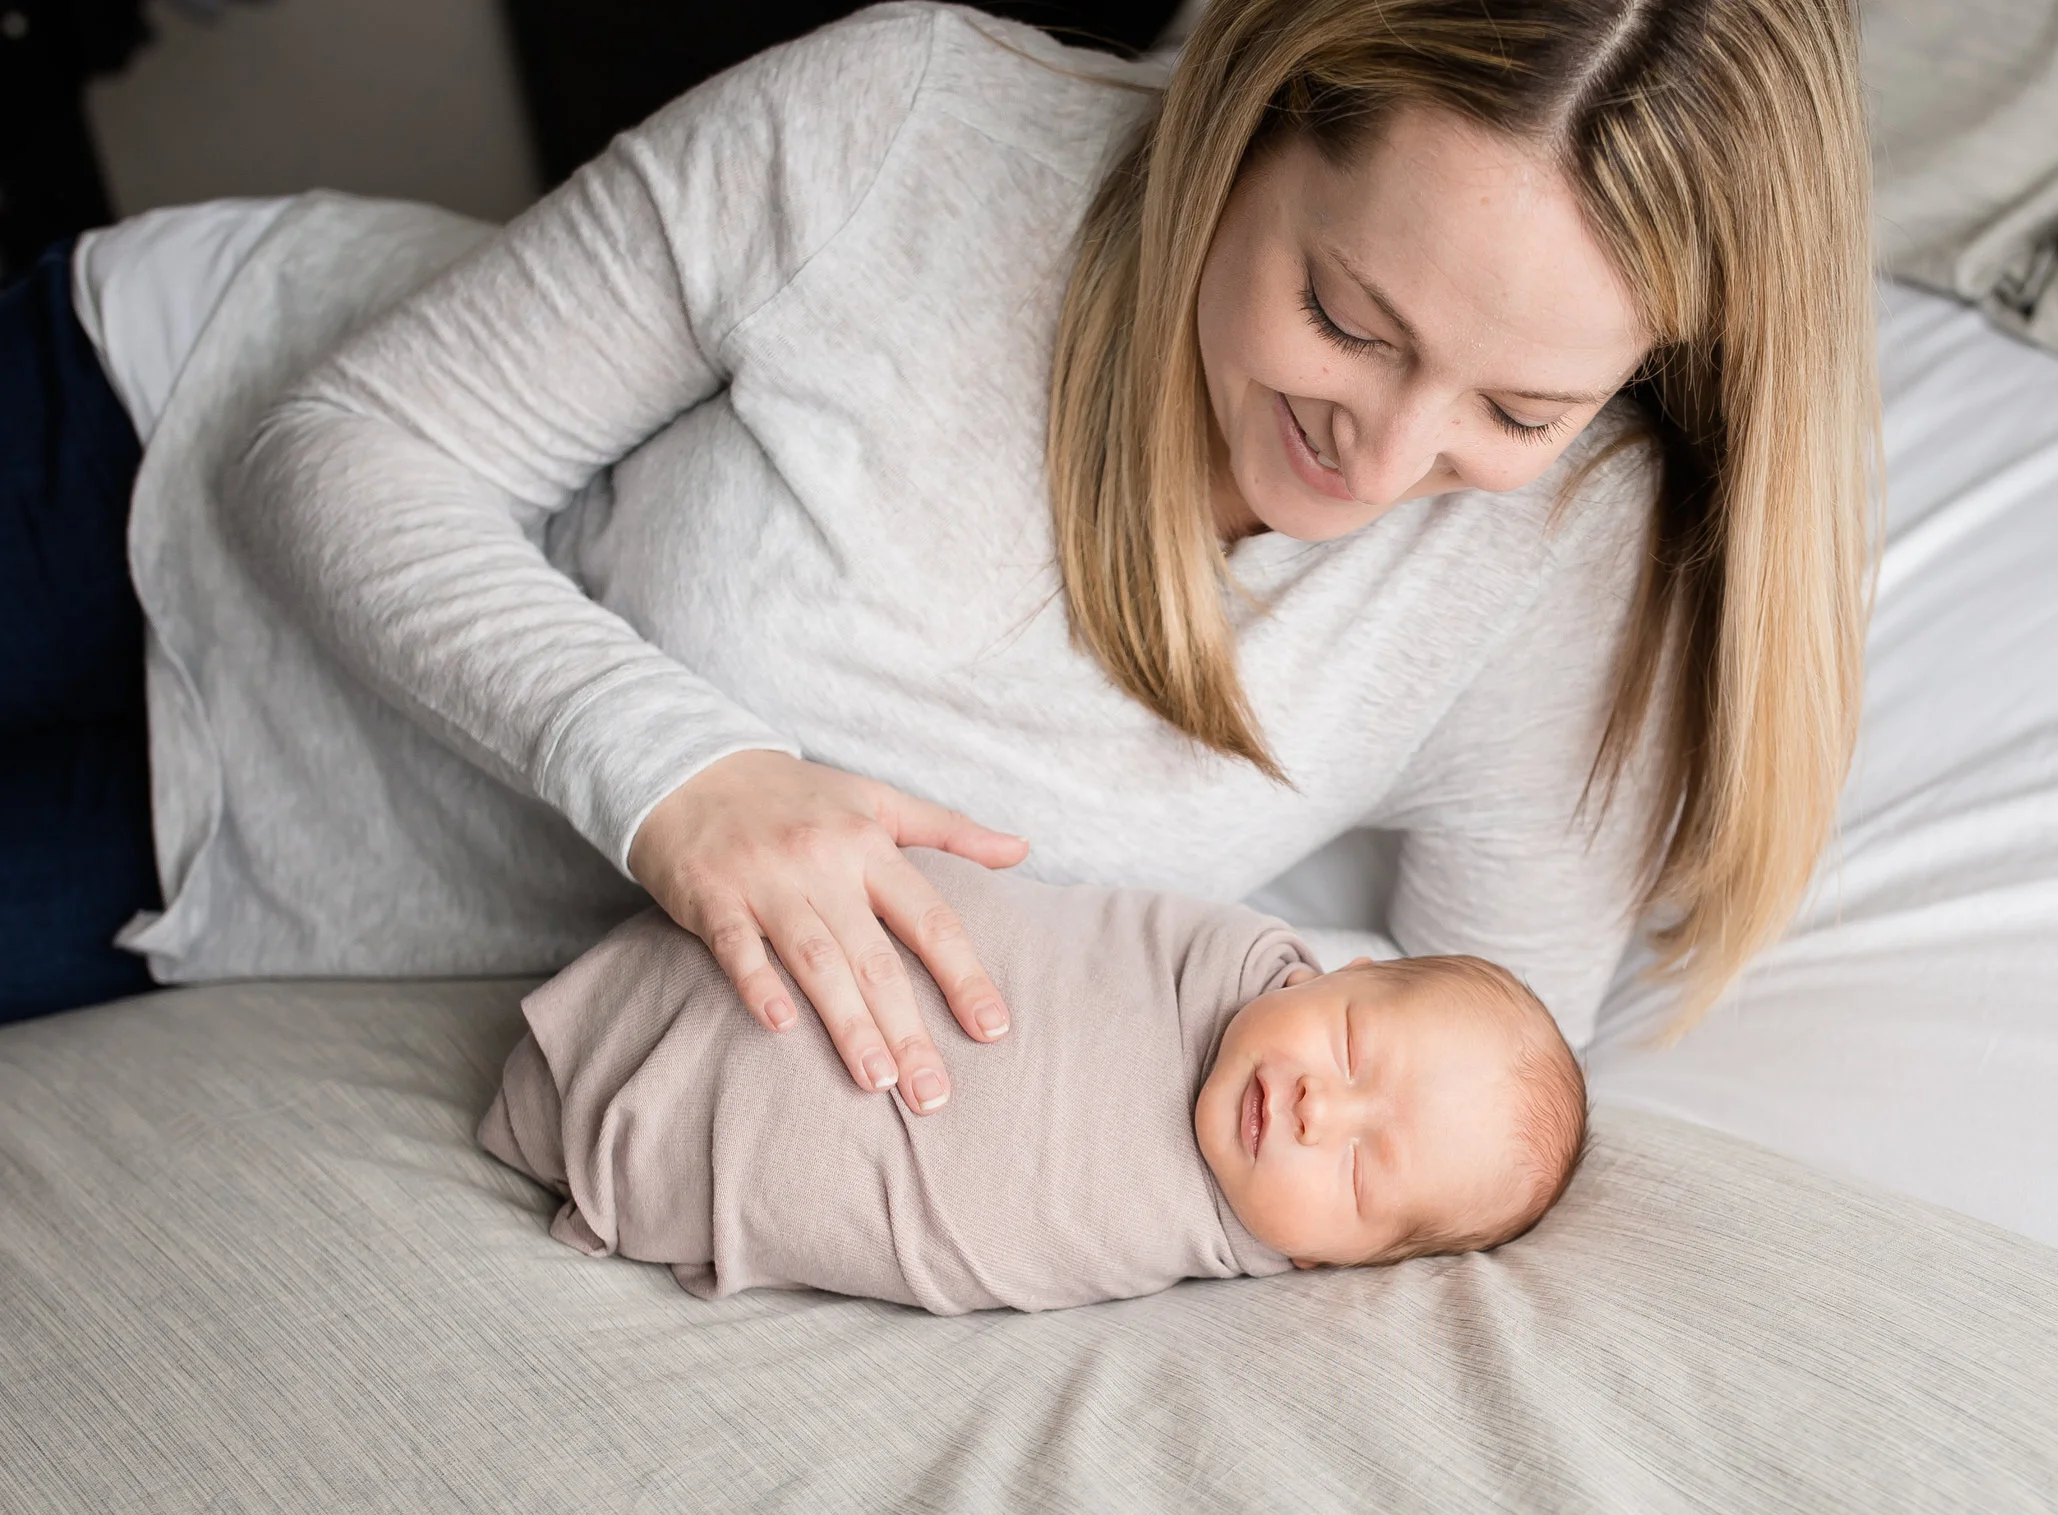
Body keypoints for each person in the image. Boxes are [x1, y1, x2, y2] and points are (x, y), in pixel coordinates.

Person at [1, 0, 1877, 1088]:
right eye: (1349, 317)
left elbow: (1478, 1074)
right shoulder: (907, 126)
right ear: (1247, 121)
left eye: (1514, 412)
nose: (1385, 457)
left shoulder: (1564, 567)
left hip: (267, 861)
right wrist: (690, 779)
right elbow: (340, 452)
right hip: (130, 435)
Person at [479, 847, 1588, 1313]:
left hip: (707, 1164)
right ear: (1341, 973)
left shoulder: (1229, 1245)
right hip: (735, 958)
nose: (1317, 1104)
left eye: (1356, 1166)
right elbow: (1048, 931)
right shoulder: (1217, 960)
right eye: (1350, 1048)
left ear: (1322, 1259)